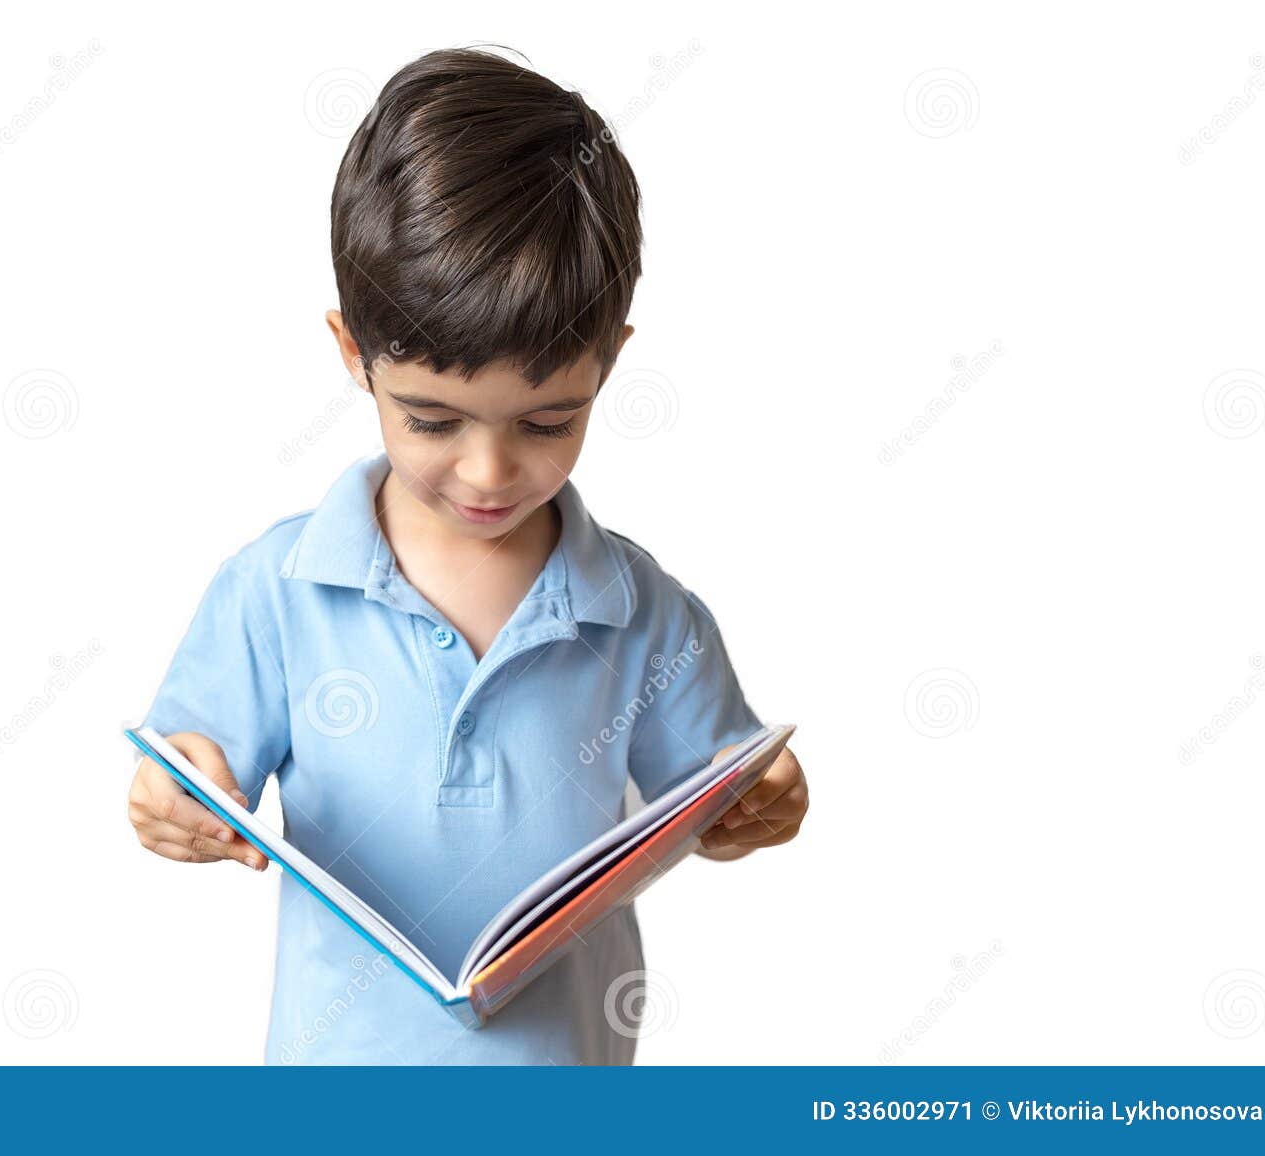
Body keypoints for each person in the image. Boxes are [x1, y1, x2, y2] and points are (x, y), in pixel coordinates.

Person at [127, 46, 808, 1064]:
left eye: (547, 421)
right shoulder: (274, 593)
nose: (487, 471)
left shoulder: (643, 610)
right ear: (354, 354)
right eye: (433, 420)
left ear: (610, 361)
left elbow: (718, 792)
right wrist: (173, 800)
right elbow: (183, 773)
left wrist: (762, 799)